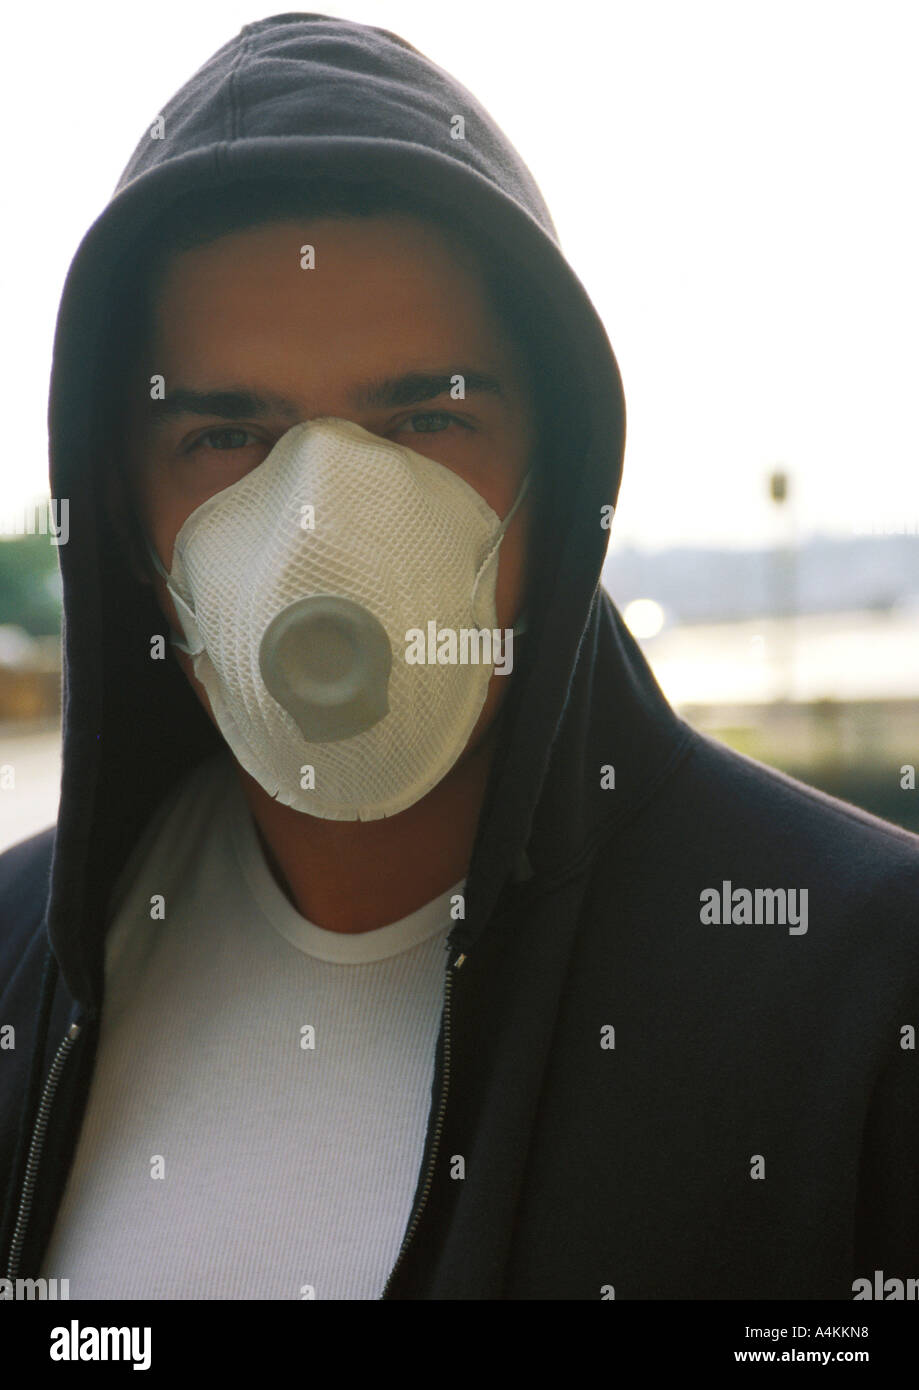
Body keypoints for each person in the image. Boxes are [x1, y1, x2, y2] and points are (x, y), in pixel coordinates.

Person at [1, 12, 917, 1302]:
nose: (322, 536)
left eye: (427, 419)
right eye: (227, 438)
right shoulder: (17, 966)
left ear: (562, 473)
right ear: (125, 513)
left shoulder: (862, 990)